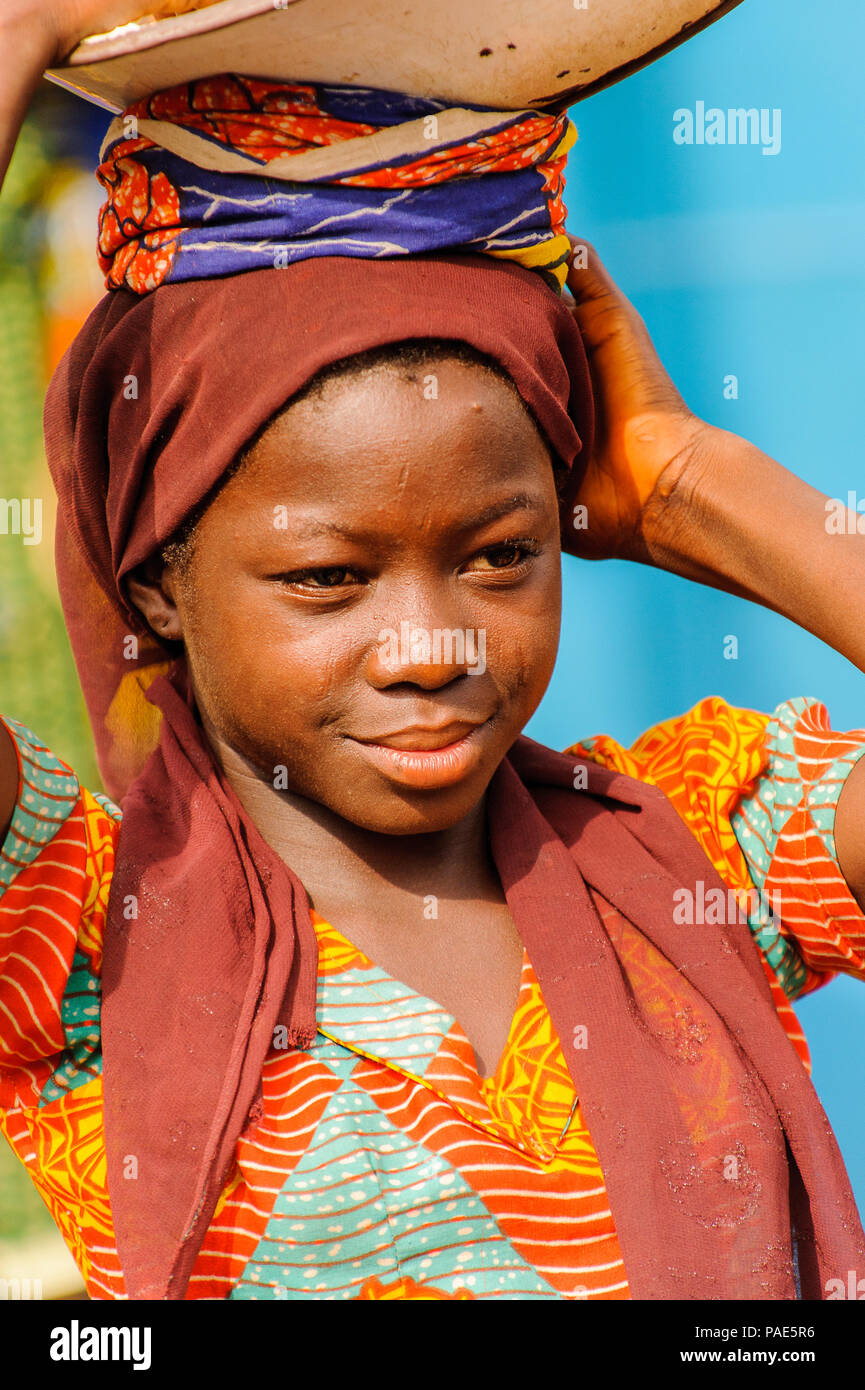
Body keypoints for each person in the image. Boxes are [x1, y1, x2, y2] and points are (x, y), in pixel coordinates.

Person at [2, 0, 865, 1304]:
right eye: (327, 577)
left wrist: (698, 487)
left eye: (497, 555)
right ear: (158, 577)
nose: (426, 646)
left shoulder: (699, 845)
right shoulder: (78, 941)